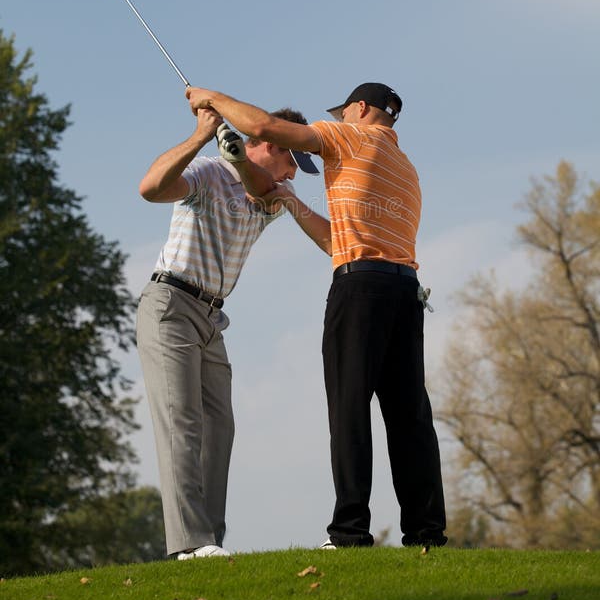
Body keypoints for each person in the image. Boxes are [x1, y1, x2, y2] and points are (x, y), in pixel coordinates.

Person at [185, 82, 448, 549]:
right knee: (410, 417)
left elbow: (264, 127)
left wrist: (212, 99)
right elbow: (335, 240)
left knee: (349, 409)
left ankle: (349, 531)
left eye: (344, 112)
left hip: (361, 288)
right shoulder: (407, 169)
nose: (338, 119)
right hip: (405, 291)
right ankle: (426, 532)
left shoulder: (346, 136)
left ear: (360, 108)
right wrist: (289, 201)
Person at [136, 99, 327, 560]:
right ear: (265, 142)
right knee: (181, 420)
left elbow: (262, 190)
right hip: (170, 304)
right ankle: (189, 545)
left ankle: (210, 543)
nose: (292, 175)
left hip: (211, 319)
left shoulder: (271, 197)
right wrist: (202, 137)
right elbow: (150, 188)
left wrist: (240, 158)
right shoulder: (205, 171)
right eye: (290, 160)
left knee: (220, 428)